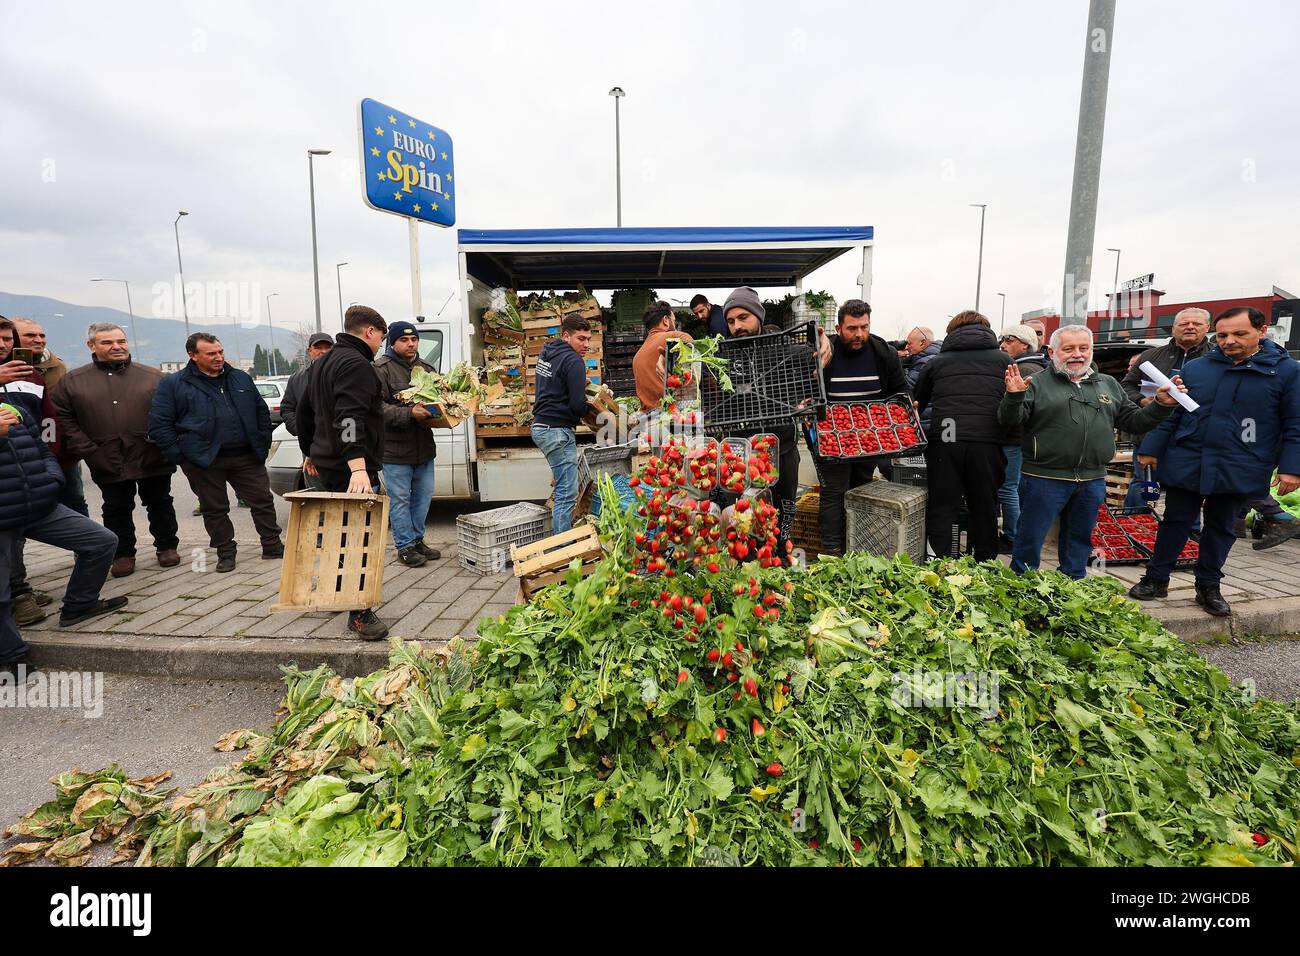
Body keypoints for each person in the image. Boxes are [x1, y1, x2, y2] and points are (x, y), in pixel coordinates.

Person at [1129, 307, 1300, 615]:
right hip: (1190, 458)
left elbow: (1295, 422)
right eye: (1222, 335)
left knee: (1221, 527)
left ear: (1262, 332)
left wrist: (1291, 467)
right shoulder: (1197, 368)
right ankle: (1156, 578)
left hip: (1241, 462)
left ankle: (1208, 586)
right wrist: (1152, 446)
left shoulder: (1287, 372)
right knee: (1175, 522)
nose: (1228, 341)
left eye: (1239, 334)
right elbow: (1172, 410)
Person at [998, 325, 1183, 579]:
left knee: (1079, 539)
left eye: (1083, 348)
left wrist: (1161, 406)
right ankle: (1022, 583)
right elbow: (1009, 421)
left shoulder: (1108, 384)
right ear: (1052, 352)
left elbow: (1133, 421)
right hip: (1042, 479)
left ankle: (1072, 583)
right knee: (1030, 537)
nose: (1077, 354)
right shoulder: (1036, 383)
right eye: (1068, 349)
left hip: (1092, 479)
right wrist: (1014, 396)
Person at [0, 402, 126, 666]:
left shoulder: (12, 407)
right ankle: (12, 656)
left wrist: (52, 479)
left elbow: (43, 450)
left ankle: (79, 605)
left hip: (38, 506)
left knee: (101, 542)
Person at [52, 324, 179, 579]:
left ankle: (166, 546)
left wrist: (165, 442)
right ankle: (123, 554)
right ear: (92, 346)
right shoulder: (73, 382)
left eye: (121, 341)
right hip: (106, 457)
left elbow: (174, 412)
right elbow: (63, 418)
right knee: (116, 508)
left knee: (160, 502)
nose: (117, 346)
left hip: (151, 454)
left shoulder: (153, 376)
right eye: (108, 342)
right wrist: (88, 450)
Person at [149, 332, 282, 573]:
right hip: (203, 460)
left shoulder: (240, 378)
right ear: (193, 355)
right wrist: (181, 457)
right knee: (215, 509)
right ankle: (226, 553)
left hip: (246, 456)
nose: (219, 357)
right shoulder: (174, 384)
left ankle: (272, 545)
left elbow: (261, 413)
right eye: (211, 353)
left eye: (220, 352)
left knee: (262, 501)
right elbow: (160, 425)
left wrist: (261, 444)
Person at [298, 306, 390, 641]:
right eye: (381, 336)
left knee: (337, 535)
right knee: (359, 540)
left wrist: (309, 451)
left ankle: (338, 591)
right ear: (369, 332)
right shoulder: (357, 365)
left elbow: (306, 412)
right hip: (348, 467)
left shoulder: (322, 363)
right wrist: (359, 467)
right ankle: (360, 614)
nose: (381, 343)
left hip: (325, 461)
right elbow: (349, 418)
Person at [914, 311, 1011, 561]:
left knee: (942, 506)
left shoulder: (936, 362)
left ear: (952, 332)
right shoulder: (1004, 361)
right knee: (985, 506)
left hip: (947, 437)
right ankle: (985, 564)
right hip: (987, 441)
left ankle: (938, 564)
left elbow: (917, 403)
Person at [812, 298, 906, 555]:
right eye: (852, 328)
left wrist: (903, 412)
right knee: (833, 491)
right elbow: (809, 391)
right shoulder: (826, 350)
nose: (859, 334)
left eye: (864, 327)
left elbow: (900, 392)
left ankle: (857, 547)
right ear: (839, 327)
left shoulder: (883, 353)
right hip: (831, 437)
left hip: (868, 437)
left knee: (860, 487)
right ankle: (831, 551)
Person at [725, 287, 805, 549]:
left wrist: (827, 341)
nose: (737, 326)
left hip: (782, 449)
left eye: (743, 317)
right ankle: (747, 568)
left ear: (759, 316)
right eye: (731, 321)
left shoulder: (784, 349)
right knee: (745, 524)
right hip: (741, 457)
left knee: (783, 516)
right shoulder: (723, 355)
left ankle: (781, 560)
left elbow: (821, 351)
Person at [1118, 308, 1213, 514]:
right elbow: (1126, 386)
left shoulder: (1216, 358)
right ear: (1173, 328)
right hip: (1150, 431)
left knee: (1188, 487)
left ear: (1207, 328)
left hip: (1192, 436)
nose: (1189, 327)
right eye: (1183, 323)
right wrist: (1143, 401)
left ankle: (1189, 531)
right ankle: (1135, 522)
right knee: (1144, 482)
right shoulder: (1151, 356)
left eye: (1196, 324)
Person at [0, 318, 58, 625]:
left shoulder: (31, 374)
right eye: (29, 335)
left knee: (22, 529)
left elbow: (47, 418)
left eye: (7, 338)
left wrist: (52, 460)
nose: (3, 344)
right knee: (8, 535)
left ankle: (20, 587)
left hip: (34, 464)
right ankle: (18, 593)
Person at [374, 321, 441, 568]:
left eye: (414, 339)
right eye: (404, 340)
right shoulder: (380, 369)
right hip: (394, 450)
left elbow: (441, 399)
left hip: (423, 448)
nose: (411, 343)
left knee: (423, 498)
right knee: (400, 499)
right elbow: (375, 409)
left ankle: (417, 540)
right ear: (392, 342)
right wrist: (409, 414)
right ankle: (404, 547)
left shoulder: (426, 368)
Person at [10, 316, 86, 516]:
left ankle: (85, 546)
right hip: (17, 449)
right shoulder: (5, 368)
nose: (39, 340)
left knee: (75, 499)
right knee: (17, 506)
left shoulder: (57, 367)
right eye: (30, 335)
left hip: (60, 450)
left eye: (41, 335)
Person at [531, 315, 596, 535]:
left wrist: (577, 383)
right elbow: (578, 405)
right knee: (567, 493)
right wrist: (598, 411)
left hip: (541, 426)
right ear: (566, 335)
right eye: (580, 339)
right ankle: (562, 548)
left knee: (562, 487)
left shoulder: (548, 352)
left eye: (588, 339)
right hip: (557, 430)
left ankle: (559, 540)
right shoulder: (574, 360)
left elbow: (555, 383)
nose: (586, 344)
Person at [995, 324, 1049, 551]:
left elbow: (1021, 410)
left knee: (1008, 488)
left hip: (1013, 438)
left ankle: (1013, 536)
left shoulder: (1025, 369)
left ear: (1025, 344)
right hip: (1018, 438)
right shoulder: (1033, 366)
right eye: (1003, 339)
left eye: (1009, 340)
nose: (1003, 344)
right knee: (1012, 487)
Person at [633, 301, 693, 413]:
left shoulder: (637, 357)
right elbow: (692, 344)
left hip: (648, 421)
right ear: (666, 320)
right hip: (674, 417)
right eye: (674, 321)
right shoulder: (675, 336)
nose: (675, 326)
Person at [280, 332, 333, 436]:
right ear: (309, 351)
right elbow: (287, 408)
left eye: (328, 348)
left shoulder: (343, 374)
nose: (323, 351)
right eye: (318, 347)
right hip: (311, 445)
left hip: (340, 444)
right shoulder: (296, 379)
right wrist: (301, 430)